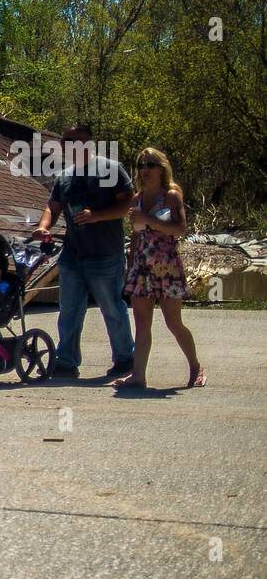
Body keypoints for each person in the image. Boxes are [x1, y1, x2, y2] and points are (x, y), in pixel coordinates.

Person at [34, 124, 135, 379]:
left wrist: (97, 216)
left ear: (88, 143)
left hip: (104, 252)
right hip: (72, 254)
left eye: (73, 141)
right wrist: (43, 227)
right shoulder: (64, 176)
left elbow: (126, 205)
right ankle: (66, 361)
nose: (68, 145)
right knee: (69, 310)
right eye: (65, 141)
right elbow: (52, 207)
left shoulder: (111, 169)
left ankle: (125, 359)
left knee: (111, 307)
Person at [114, 148, 205, 389]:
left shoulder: (172, 196)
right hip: (142, 267)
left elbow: (180, 229)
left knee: (173, 322)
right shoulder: (136, 200)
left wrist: (149, 219)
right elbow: (135, 236)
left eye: (151, 165)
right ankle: (138, 375)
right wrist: (130, 264)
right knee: (142, 323)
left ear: (162, 168)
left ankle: (195, 366)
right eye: (142, 165)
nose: (145, 170)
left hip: (167, 267)